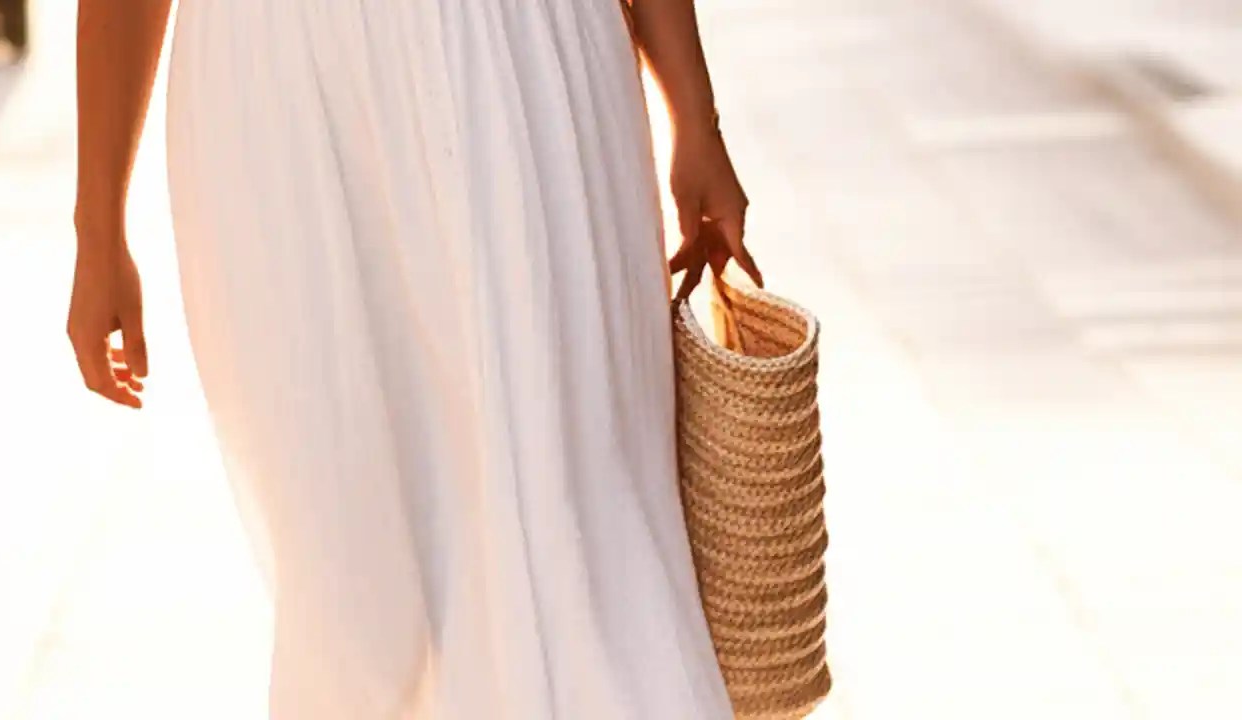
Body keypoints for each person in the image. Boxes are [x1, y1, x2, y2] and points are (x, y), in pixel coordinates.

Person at [68, 1, 761, 718]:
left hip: (516, 68)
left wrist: (695, 116)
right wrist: (98, 226)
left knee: (576, 538)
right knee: (349, 582)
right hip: (277, 102)